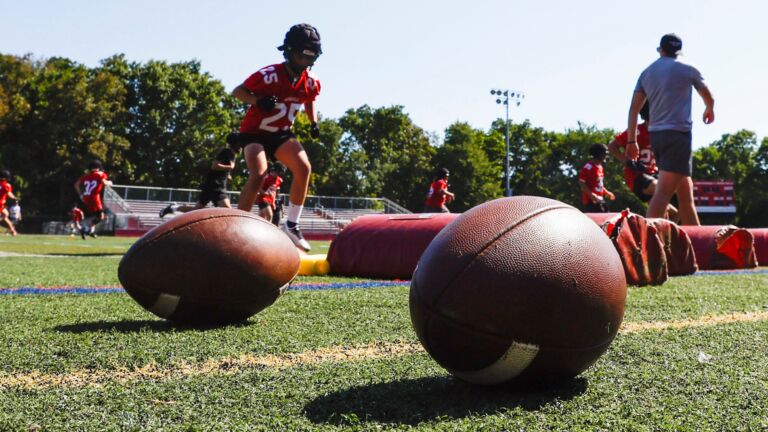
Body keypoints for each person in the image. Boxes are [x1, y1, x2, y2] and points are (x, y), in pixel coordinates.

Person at [231, 23, 322, 252]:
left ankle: (291, 224)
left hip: (281, 133)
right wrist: (257, 101)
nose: (305, 62)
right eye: (301, 56)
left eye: (310, 57)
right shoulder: (270, 75)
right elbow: (238, 91)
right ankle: (237, 224)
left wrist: (313, 122)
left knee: (303, 168)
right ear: (290, 51)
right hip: (255, 133)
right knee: (259, 173)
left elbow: (310, 99)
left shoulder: (311, 81)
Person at [627, 33, 715, 225]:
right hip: (678, 136)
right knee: (664, 192)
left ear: (661, 50)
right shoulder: (688, 68)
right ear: (678, 51)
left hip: (657, 136)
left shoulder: (647, 72)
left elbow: (634, 109)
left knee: (685, 194)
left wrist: (631, 141)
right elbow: (707, 94)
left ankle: (695, 238)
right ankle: (646, 238)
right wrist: (709, 108)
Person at [608, 102, 679, 221]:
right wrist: (628, 162)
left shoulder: (661, 133)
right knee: (661, 188)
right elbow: (612, 146)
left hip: (653, 174)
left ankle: (664, 231)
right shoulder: (637, 131)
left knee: (675, 213)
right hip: (637, 176)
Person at [160, 137, 239, 217]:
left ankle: (173, 208)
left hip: (212, 185)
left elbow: (222, 168)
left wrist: (227, 175)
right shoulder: (227, 152)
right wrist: (230, 167)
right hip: (216, 185)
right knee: (228, 211)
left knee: (196, 210)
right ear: (235, 144)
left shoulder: (231, 154)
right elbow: (214, 165)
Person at [74, 159, 112, 239]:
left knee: (96, 216)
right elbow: (104, 183)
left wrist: (81, 195)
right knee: (101, 217)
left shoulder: (86, 176)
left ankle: (90, 230)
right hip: (95, 198)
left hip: (86, 198)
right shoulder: (100, 174)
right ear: (98, 167)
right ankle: (85, 229)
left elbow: (76, 185)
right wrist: (109, 182)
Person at [578, 144, 615, 213]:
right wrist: (591, 195)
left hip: (600, 199)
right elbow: (581, 182)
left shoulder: (600, 167)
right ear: (598, 154)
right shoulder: (588, 167)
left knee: (607, 215)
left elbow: (599, 184)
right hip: (591, 201)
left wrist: (607, 192)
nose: (606, 156)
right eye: (604, 154)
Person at [0, 169, 18, 236]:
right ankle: (12, 230)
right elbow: (9, 193)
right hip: (0, 203)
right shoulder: (6, 185)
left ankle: (12, 231)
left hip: (1, 204)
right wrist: (14, 198)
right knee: (5, 215)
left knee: (5, 214)